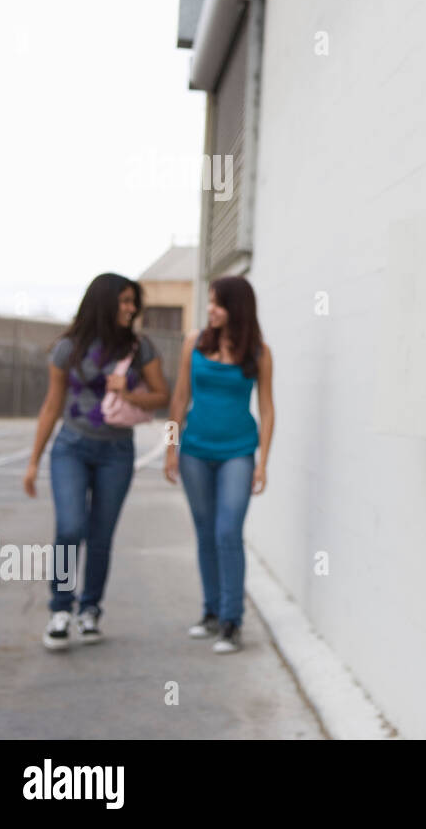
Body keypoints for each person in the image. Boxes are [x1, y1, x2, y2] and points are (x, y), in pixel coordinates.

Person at [23, 273, 170, 649]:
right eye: (125, 301)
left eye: (133, 301)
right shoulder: (67, 348)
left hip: (116, 453)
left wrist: (130, 394)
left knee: (101, 536)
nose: (131, 308)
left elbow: (161, 396)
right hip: (70, 449)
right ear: (104, 302)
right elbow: (52, 405)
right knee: (70, 528)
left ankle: (90, 610)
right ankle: (60, 609)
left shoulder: (139, 347)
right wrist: (33, 461)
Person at [164, 276, 273, 654]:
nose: (210, 309)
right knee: (206, 533)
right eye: (210, 301)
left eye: (218, 303)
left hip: (238, 453)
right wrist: (171, 448)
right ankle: (211, 612)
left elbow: (267, 408)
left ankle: (231, 621)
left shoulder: (259, 353)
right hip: (194, 452)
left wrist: (263, 461)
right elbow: (179, 399)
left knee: (228, 531)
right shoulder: (194, 343)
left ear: (236, 308)